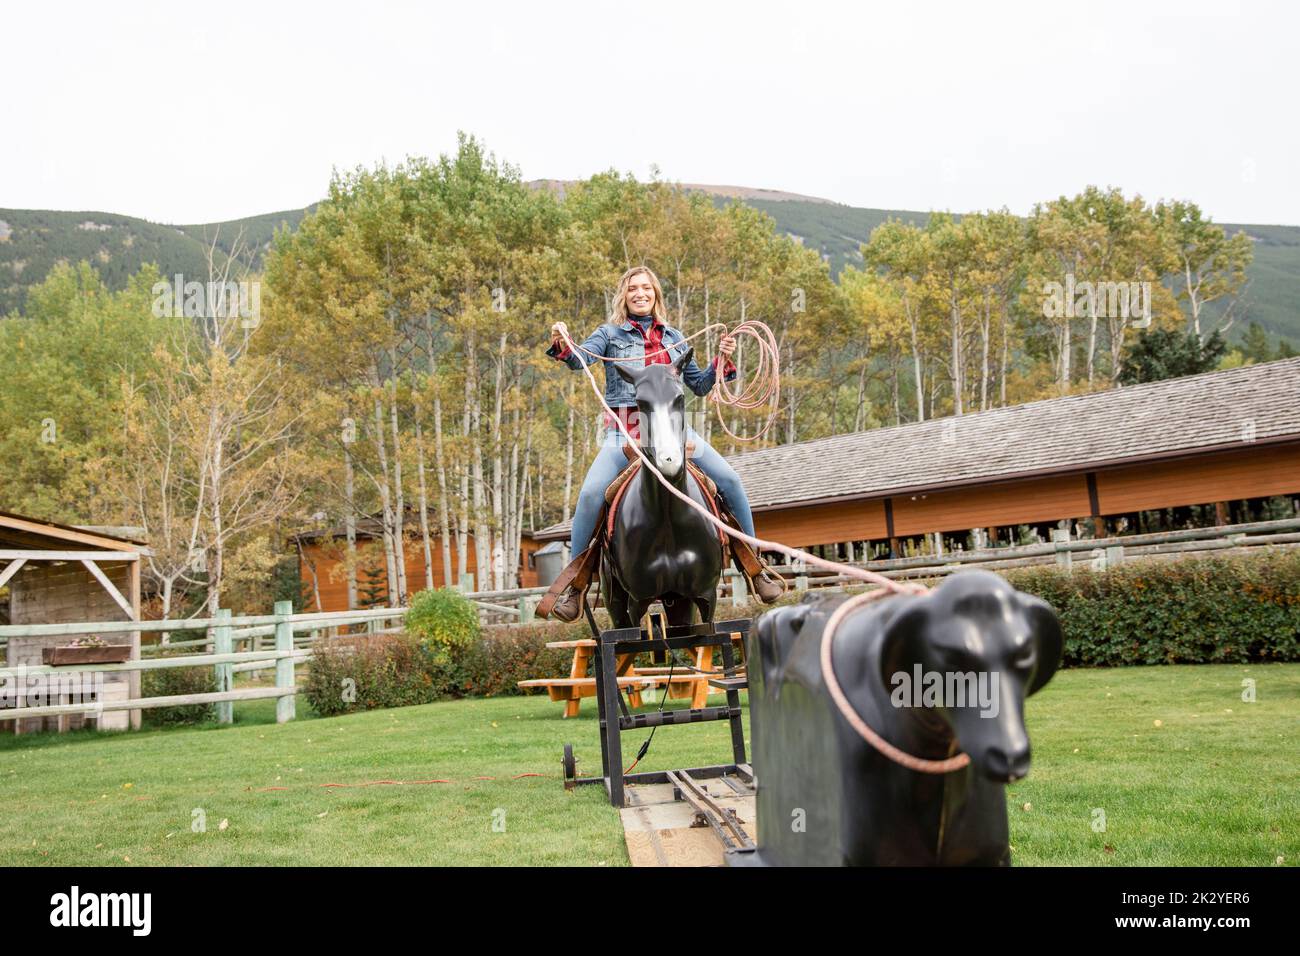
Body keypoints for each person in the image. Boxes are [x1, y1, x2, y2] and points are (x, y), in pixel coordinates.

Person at [539, 264, 784, 622]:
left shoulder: (676, 338)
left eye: (647, 288)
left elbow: (699, 385)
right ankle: (575, 588)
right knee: (591, 495)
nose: (641, 294)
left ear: (656, 294)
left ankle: (755, 567)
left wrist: (722, 360)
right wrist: (563, 344)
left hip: (675, 431)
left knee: (730, 480)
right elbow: (580, 360)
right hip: (626, 432)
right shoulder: (608, 335)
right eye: (633, 288)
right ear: (624, 296)